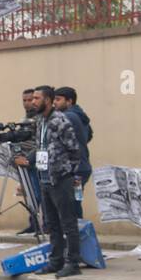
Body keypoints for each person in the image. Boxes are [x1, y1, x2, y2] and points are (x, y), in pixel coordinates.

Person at [31, 86, 83, 278]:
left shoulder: (60, 120)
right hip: (44, 178)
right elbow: (40, 147)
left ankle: (73, 262)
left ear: (49, 100)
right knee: (52, 223)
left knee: (68, 222)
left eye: (37, 98)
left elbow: (74, 149)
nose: (33, 101)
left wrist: (67, 171)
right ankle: (56, 260)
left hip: (60, 178)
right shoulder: (40, 121)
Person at [53, 86, 93, 218]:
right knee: (75, 202)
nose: (55, 103)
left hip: (74, 168)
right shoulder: (81, 116)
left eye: (58, 99)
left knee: (70, 205)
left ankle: (76, 235)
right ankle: (78, 234)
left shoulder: (68, 116)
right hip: (82, 166)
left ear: (69, 101)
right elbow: (89, 136)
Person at [13, 88, 43, 235]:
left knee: (38, 195)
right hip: (23, 163)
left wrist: (28, 158)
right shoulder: (24, 119)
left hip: (35, 162)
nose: (27, 103)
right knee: (29, 196)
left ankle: (45, 224)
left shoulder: (40, 119)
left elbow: (40, 143)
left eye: (30, 100)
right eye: (24, 100)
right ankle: (33, 223)